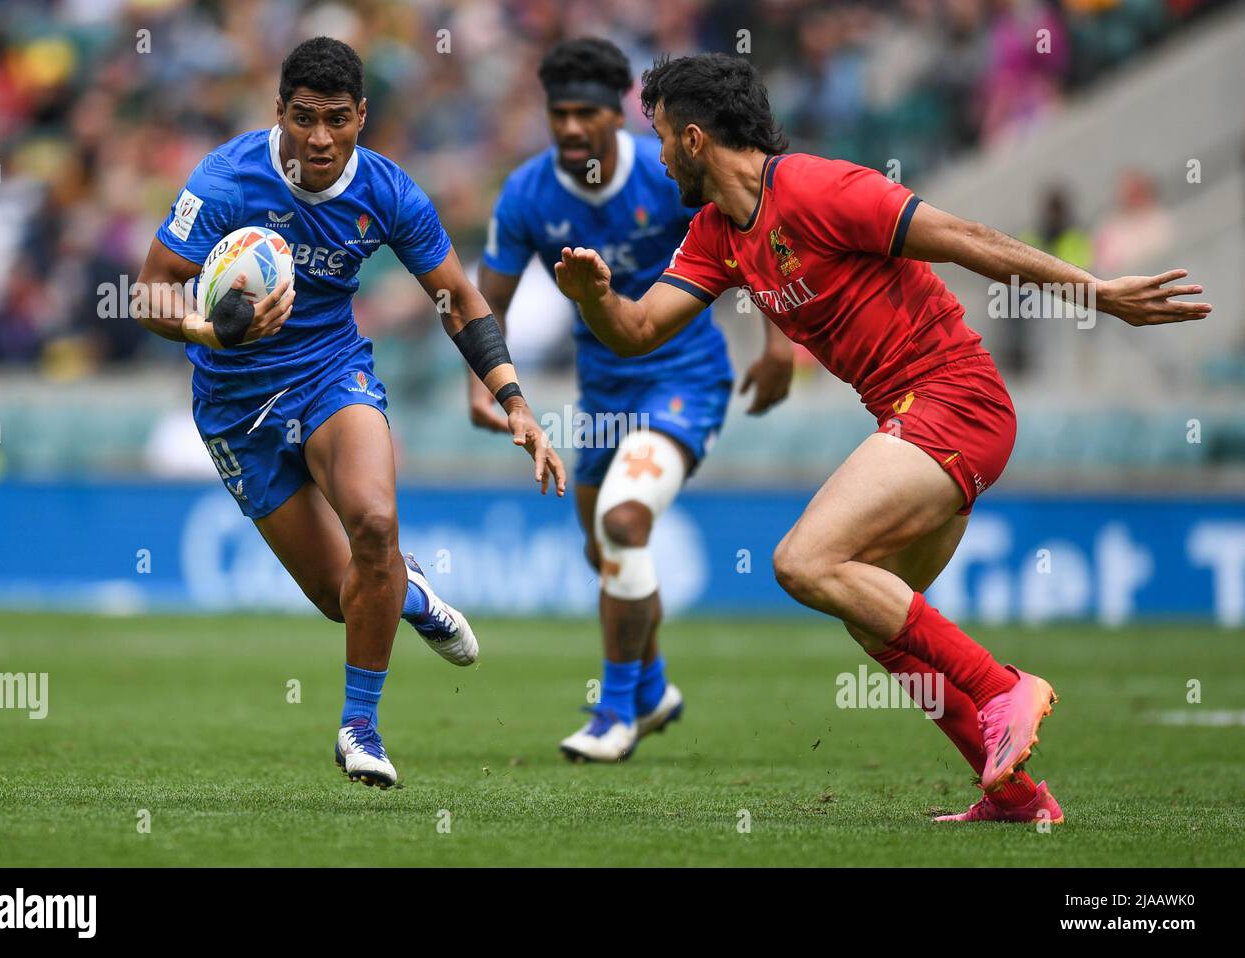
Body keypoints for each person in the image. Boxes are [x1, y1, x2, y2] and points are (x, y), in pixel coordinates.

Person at [554, 53, 1210, 822]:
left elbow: (963, 237)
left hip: (955, 400)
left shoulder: (818, 187)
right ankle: (1017, 798)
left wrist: (1095, 293)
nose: (656, 155)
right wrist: (596, 297)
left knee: (803, 561)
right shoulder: (717, 235)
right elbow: (635, 331)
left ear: (694, 138)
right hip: (912, 417)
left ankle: (1006, 688)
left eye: (660, 136)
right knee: (875, 619)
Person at [136, 37, 565, 790]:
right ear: (280, 112)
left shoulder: (390, 193)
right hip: (235, 409)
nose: (321, 138)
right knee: (345, 597)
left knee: (373, 523)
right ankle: (413, 592)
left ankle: (358, 728)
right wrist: (210, 327)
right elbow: (148, 291)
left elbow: (459, 300)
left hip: (331, 377)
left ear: (363, 116)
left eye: (338, 119)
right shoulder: (227, 180)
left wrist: (515, 400)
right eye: (304, 118)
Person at [470, 38, 793, 762]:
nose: (573, 127)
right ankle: (650, 688)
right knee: (604, 547)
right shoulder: (527, 193)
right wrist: (479, 383)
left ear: (616, 112)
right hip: (603, 396)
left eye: (587, 111)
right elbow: (486, 301)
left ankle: (615, 713)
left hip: (684, 380)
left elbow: (749, 237)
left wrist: (778, 346)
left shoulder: (666, 177)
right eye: (561, 113)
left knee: (622, 520)